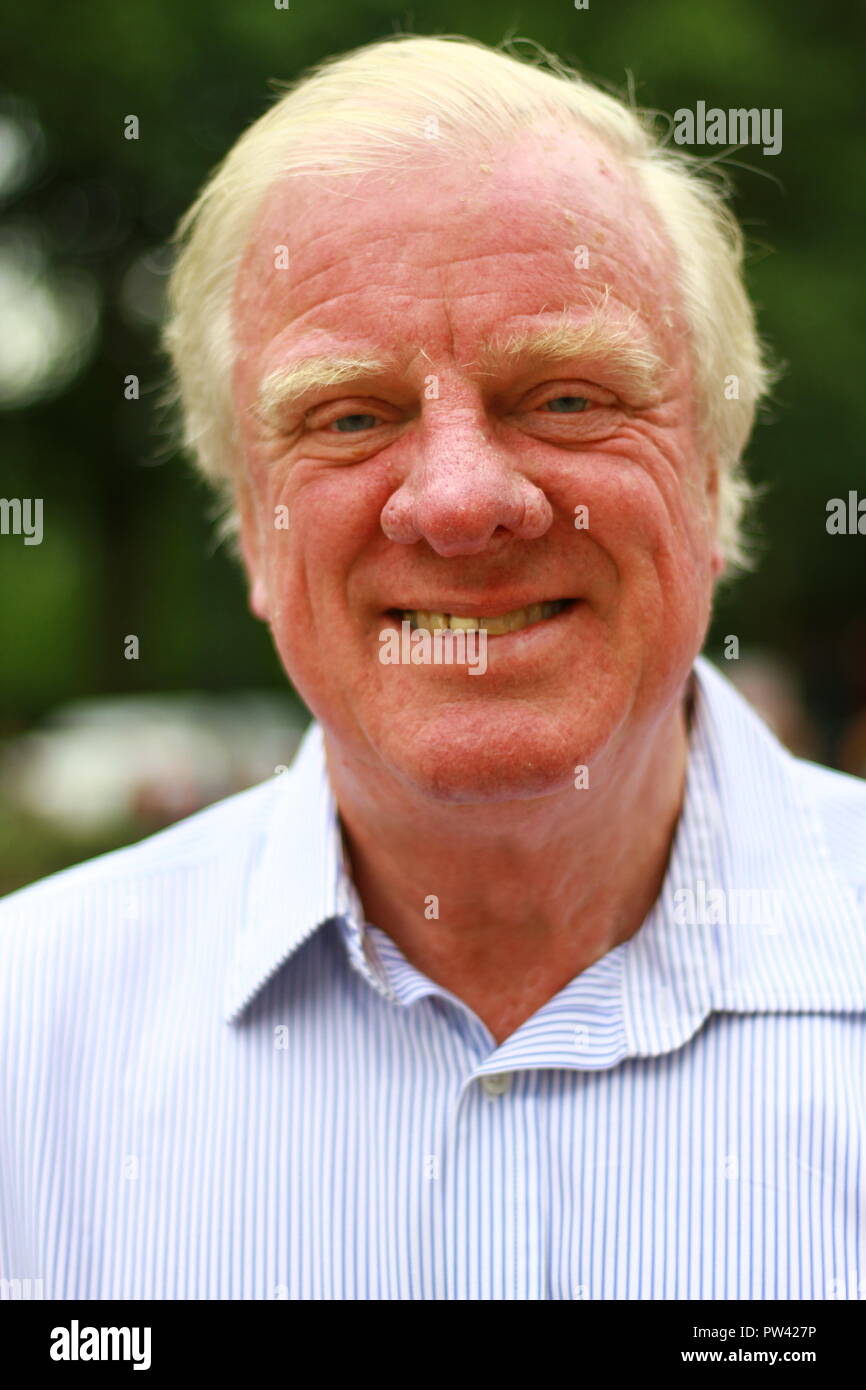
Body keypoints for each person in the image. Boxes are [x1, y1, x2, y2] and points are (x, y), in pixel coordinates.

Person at [2, 34, 864, 1302]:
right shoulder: (28, 1039)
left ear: (712, 477)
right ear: (249, 525)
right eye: (347, 417)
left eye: (564, 397)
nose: (460, 499)